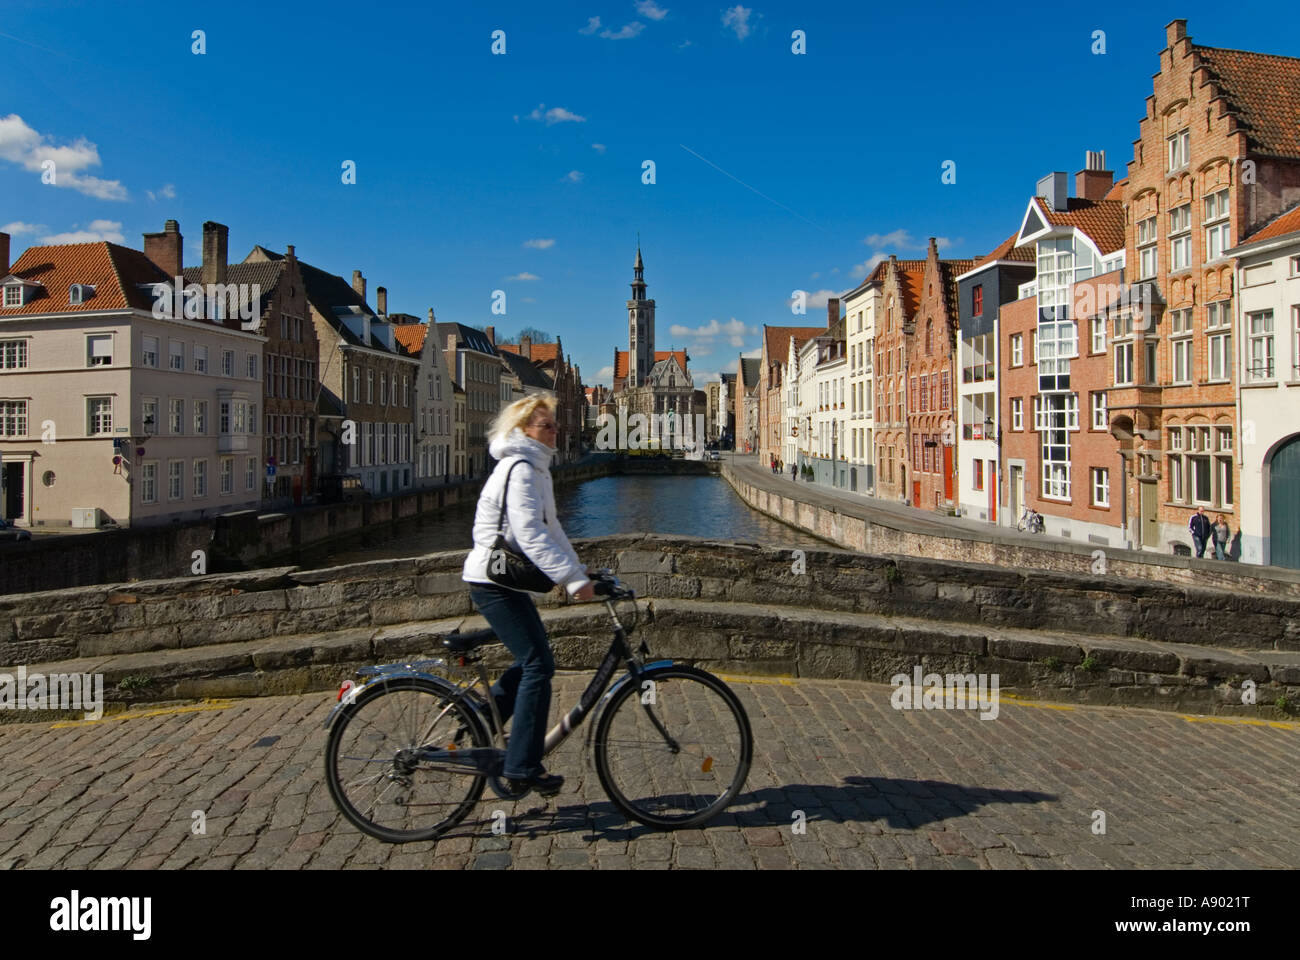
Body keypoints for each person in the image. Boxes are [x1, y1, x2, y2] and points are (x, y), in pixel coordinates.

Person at [463, 395, 594, 798]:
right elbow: (529, 535)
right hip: (491, 581)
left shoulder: (537, 469)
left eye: (554, 424)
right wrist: (572, 580)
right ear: (524, 431)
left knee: (534, 658)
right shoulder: (520, 469)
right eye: (546, 426)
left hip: (503, 581)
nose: (555, 430)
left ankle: (483, 716)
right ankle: (522, 765)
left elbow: (552, 528)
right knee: (539, 665)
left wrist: (582, 572)